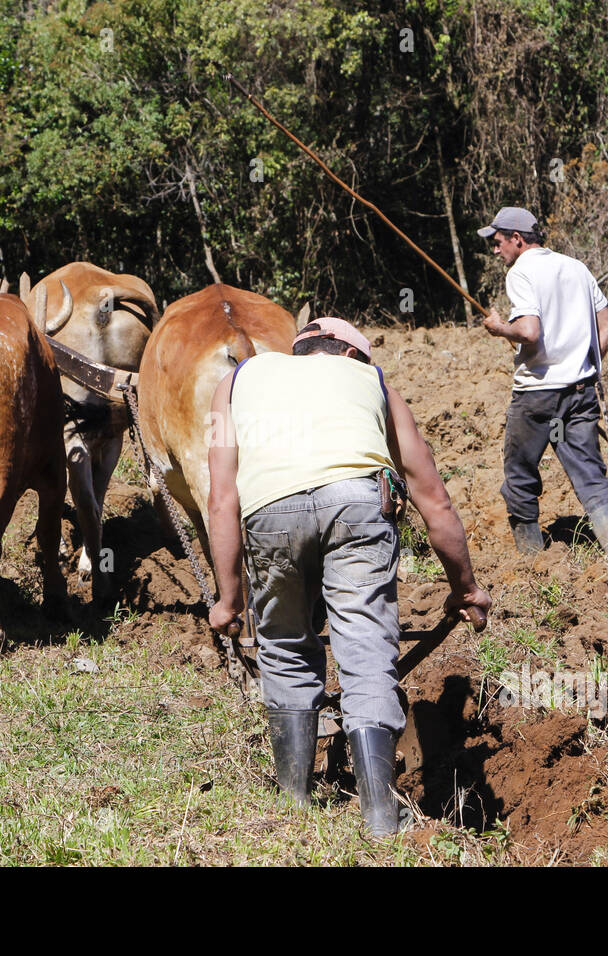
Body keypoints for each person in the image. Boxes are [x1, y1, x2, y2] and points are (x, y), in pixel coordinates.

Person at [206, 317, 492, 837]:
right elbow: (434, 498)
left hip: (271, 513)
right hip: (358, 507)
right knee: (365, 652)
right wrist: (465, 587)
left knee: (286, 647)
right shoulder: (374, 382)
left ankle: (293, 800)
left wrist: (229, 599)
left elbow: (222, 497)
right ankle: (381, 814)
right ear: (351, 356)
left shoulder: (236, 381)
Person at [477, 206, 608, 555]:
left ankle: (532, 561)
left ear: (517, 239)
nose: (496, 250)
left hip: (536, 397)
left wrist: (501, 329)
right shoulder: (576, 267)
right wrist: (582, 365)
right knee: (590, 474)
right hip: (580, 391)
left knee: (520, 473)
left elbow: (529, 332)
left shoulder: (520, 272)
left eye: (498, 242)